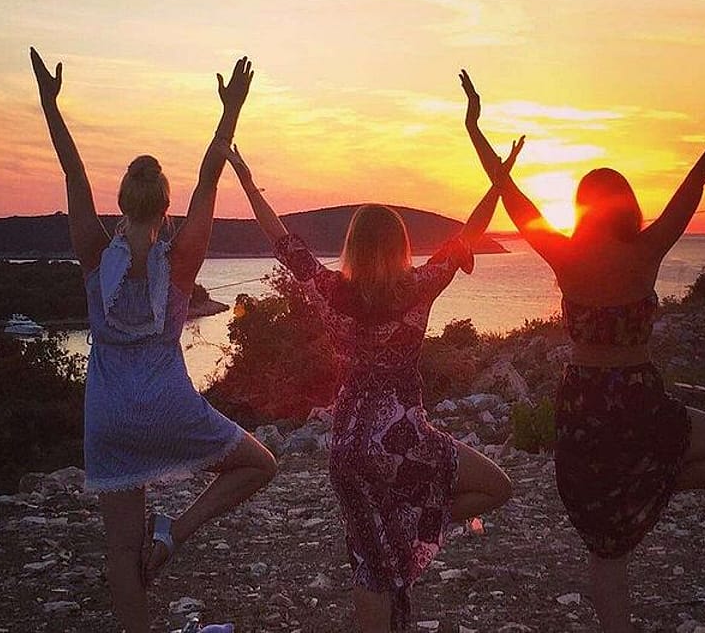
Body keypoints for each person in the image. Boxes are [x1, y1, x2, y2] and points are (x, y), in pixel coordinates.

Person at [463, 60, 705, 632]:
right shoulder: (646, 250)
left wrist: (475, 127)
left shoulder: (564, 254)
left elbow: (507, 192)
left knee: (607, 549)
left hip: (584, 406)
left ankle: (647, 490)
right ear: (626, 205)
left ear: (582, 207)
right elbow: (693, 185)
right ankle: (651, 484)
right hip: (637, 403)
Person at [222, 142, 519, 632]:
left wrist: (249, 182)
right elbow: (469, 232)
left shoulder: (330, 290)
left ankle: (400, 538)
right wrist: (498, 181)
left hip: (347, 447)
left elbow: (282, 240)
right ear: (400, 247)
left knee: (368, 559)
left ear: (353, 248)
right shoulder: (418, 286)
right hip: (404, 439)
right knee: (496, 486)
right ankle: (410, 530)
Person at [31, 48, 277, 633]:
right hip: (168, 403)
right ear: (167, 208)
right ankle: (173, 533)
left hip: (109, 414)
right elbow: (210, 176)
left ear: (122, 204)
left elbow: (73, 175)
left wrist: (50, 104)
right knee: (258, 464)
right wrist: (231, 110)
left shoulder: (96, 258)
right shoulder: (181, 260)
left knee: (120, 550)